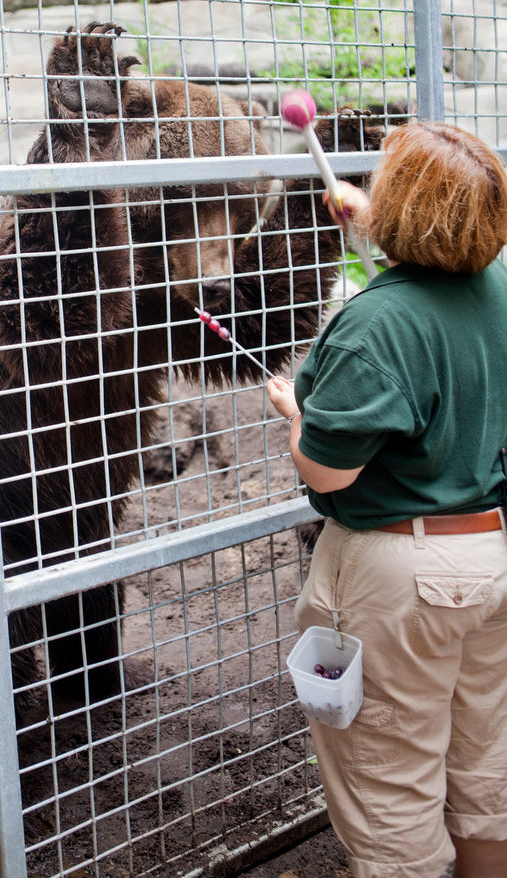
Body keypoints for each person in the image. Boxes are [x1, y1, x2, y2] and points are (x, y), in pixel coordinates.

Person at [267, 121, 507, 878]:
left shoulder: (373, 327)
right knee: (485, 767)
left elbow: (328, 475)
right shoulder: (496, 289)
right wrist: (361, 208)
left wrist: (299, 418)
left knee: (390, 786)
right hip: (490, 553)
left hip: (400, 576)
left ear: (407, 212)